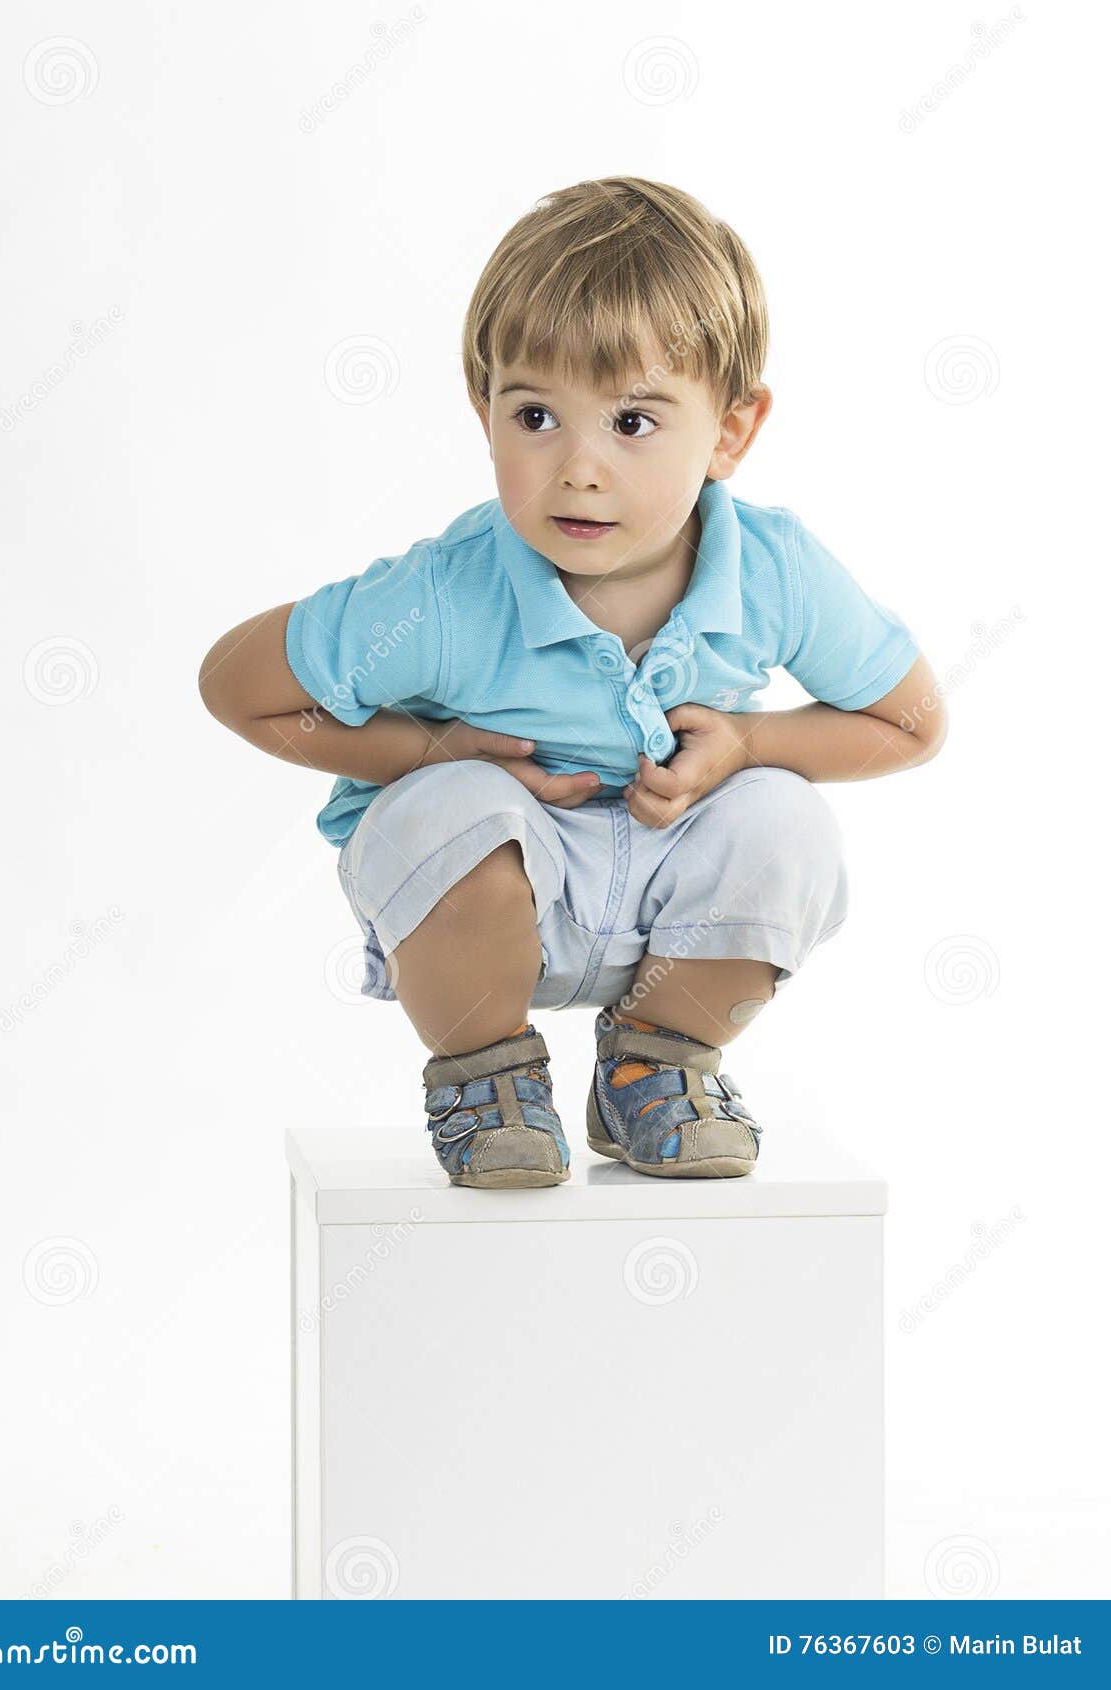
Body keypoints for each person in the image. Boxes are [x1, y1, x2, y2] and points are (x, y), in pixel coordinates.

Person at [199, 176, 947, 1190]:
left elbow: (908, 721)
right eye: (537, 414)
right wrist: (421, 749)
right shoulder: (446, 593)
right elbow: (238, 686)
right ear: (484, 410)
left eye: (633, 422)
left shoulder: (771, 569)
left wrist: (753, 740)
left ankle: (658, 1059)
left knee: (785, 821)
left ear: (729, 430)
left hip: (672, 908)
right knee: (452, 806)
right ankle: (483, 1073)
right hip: (489, 904)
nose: (577, 468)